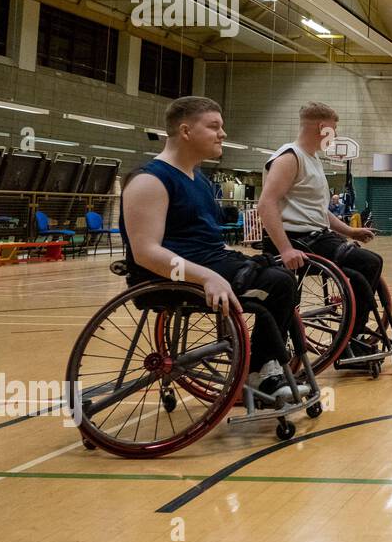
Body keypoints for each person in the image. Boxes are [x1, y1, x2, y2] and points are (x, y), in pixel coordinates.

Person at [119, 96, 299, 403]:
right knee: (277, 284)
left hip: (208, 261)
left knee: (279, 273)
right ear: (186, 131)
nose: (223, 134)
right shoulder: (150, 181)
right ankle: (258, 371)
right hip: (169, 277)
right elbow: (145, 254)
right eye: (214, 126)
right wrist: (204, 277)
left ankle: (266, 365)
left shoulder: (200, 181)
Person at [258, 102, 383, 344]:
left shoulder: (312, 159)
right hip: (297, 240)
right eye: (333, 130)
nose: (334, 136)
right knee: (368, 263)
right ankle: (352, 337)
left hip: (316, 237)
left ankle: (352, 333)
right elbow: (266, 204)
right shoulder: (289, 157)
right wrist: (285, 249)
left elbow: (319, 211)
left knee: (364, 267)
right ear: (322, 127)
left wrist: (350, 231)